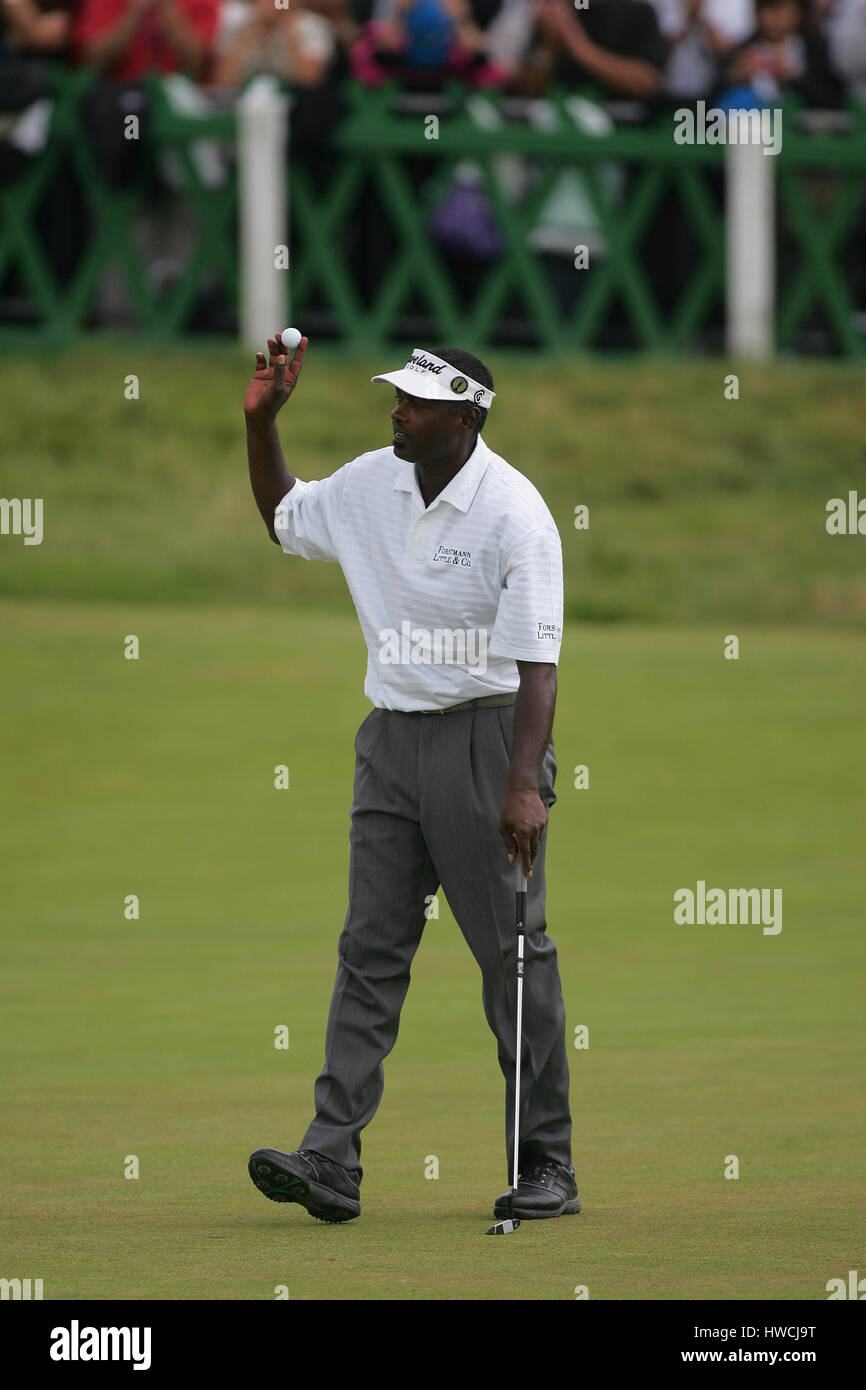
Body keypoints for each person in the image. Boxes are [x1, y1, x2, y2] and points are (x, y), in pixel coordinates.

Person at [244, 335, 578, 1225]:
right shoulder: (369, 482)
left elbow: (537, 666)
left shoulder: (516, 515)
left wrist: (521, 787)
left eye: (416, 403)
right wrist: (261, 425)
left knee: (511, 961)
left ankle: (546, 1165)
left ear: (467, 419)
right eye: (396, 396)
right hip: (390, 743)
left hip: (488, 744)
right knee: (369, 953)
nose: (396, 410)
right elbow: (284, 516)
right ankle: (330, 1160)